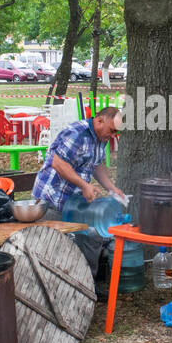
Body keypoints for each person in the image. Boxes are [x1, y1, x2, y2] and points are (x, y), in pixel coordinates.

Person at [31, 106, 127, 272]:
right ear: (99, 120)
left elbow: (97, 165)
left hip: (74, 203)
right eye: (111, 131)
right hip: (52, 199)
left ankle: (88, 286)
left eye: (115, 133)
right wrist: (84, 185)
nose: (112, 137)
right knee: (53, 247)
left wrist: (112, 188)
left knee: (93, 236)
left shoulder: (100, 138)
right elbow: (58, 163)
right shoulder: (77, 133)